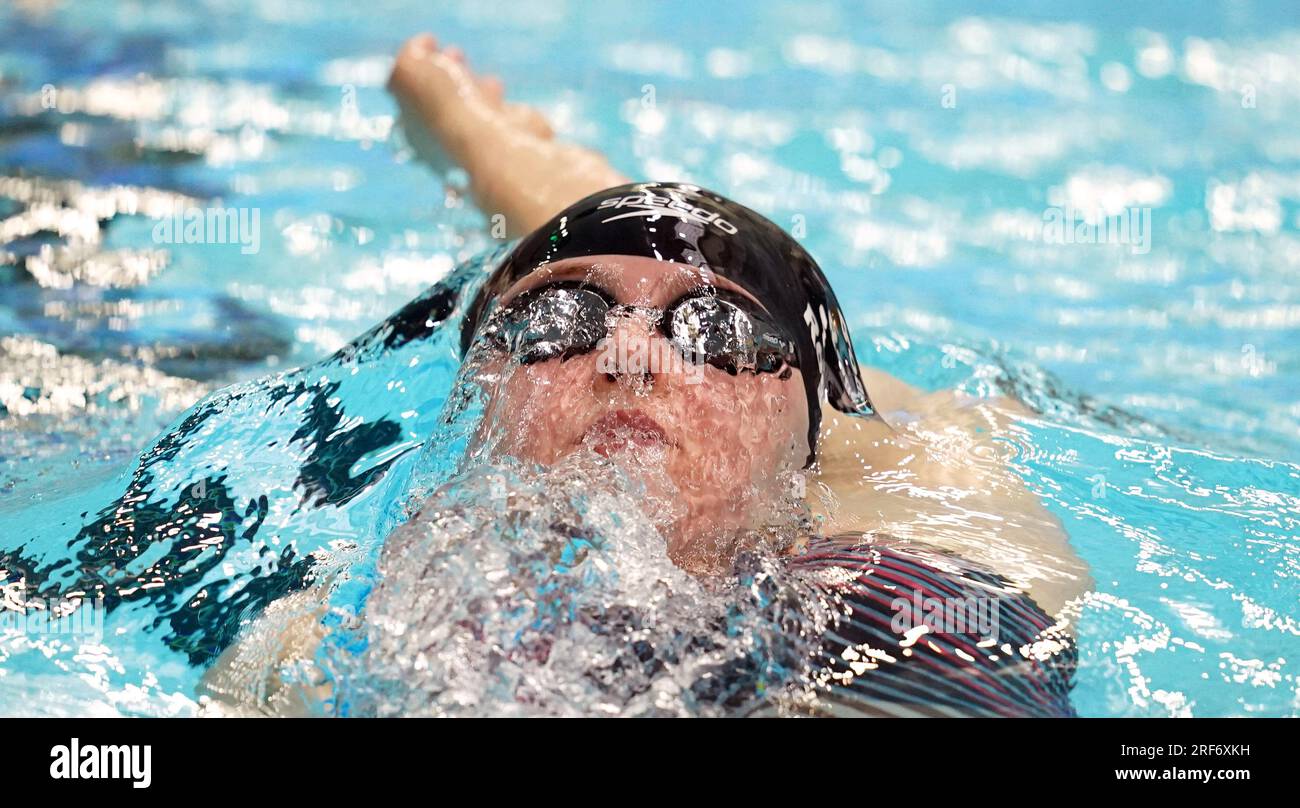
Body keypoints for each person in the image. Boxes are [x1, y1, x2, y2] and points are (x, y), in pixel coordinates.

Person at [199, 35, 1090, 717]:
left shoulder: (906, 594)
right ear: (470, 403)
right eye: (558, 322)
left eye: (718, 331)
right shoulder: (321, 634)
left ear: (801, 433)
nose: (627, 355)